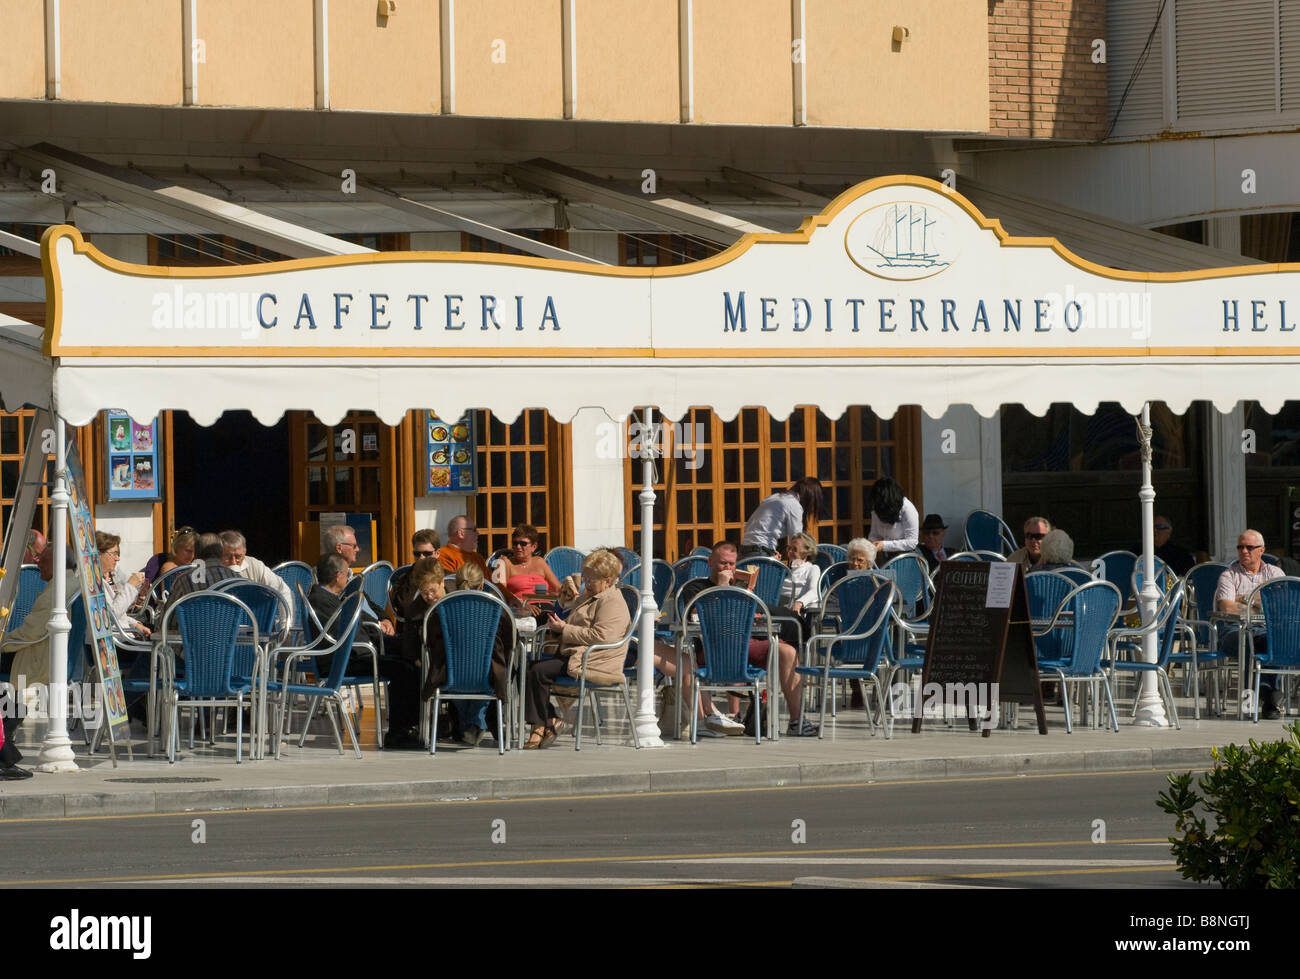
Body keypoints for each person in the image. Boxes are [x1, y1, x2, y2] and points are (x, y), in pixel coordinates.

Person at [670, 541, 816, 737]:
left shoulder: (741, 588)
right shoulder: (696, 587)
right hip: (713, 647)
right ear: (710, 562)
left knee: (787, 651)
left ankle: (797, 721)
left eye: (731, 564)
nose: (728, 568)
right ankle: (725, 713)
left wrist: (753, 614)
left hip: (746, 643)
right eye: (723, 563)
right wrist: (721, 588)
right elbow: (695, 614)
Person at [309, 552, 422, 748]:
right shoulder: (322, 601)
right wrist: (377, 648)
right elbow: (347, 636)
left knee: (409, 659)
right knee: (405, 669)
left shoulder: (327, 597)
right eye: (346, 574)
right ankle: (399, 732)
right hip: (343, 662)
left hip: (352, 653)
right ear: (338, 576)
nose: (347, 578)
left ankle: (410, 726)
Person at [524, 548, 631, 748]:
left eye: (591, 580)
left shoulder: (612, 602)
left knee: (536, 671)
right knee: (526, 669)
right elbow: (574, 622)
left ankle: (541, 726)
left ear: (607, 580)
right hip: (577, 653)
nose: (586, 584)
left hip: (596, 660)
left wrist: (565, 629)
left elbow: (602, 637)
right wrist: (559, 622)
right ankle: (547, 722)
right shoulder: (590, 595)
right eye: (586, 578)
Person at [0, 544, 79, 779]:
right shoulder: (69, 584)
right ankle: (5, 755)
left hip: (40, 657)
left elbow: (32, 633)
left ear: (55, 562)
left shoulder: (57, 591)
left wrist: (3, 643)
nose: (38, 565)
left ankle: (4, 755)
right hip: (48, 654)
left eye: (43, 560)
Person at [418, 558, 513, 746]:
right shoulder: (496, 608)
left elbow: (429, 641)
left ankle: (467, 724)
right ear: (482, 584)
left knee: (457, 667)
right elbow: (511, 643)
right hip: (488, 677)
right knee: (496, 667)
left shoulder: (443, 608)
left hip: (450, 676)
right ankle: (475, 723)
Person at [1215, 529, 1286, 719]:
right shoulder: (1228, 575)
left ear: (1261, 550)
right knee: (1249, 640)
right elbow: (1227, 608)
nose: (1244, 551)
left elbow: (1280, 604)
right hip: (1233, 630)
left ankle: (1266, 697)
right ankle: (1268, 696)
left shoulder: (1275, 572)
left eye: (1249, 547)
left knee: (1274, 639)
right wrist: (1259, 600)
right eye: (1240, 547)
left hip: (1266, 630)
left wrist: (1244, 599)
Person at [219, 529, 295, 626]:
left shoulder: (255, 565)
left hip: (254, 628)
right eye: (227, 557)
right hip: (221, 628)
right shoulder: (212, 570)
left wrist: (286, 627)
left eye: (238, 557)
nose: (233, 562)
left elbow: (283, 590)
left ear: (244, 552)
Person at [740, 476, 824, 557]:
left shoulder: (775, 497)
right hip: (760, 550)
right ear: (810, 497)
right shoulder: (794, 505)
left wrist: (770, 550)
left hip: (744, 548)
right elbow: (797, 539)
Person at [162, 533, 239, 613]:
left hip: (194, 625)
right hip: (230, 625)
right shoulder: (237, 579)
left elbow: (168, 616)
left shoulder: (185, 579)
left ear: (197, 553)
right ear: (221, 552)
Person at [490, 523, 560, 608]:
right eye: (515, 543)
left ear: (534, 547)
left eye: (523, 543)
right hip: (520, 610)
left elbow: (558, 589)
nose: (518, 547)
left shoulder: (540, 562)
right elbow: (498, 592)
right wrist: (522, 604)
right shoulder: (503, 562)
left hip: (546, 608)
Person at [96, 531, 149, 636]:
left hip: (123, 635)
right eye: (114, 554)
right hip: (115, 642)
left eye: (118, 554)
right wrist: (130, 586)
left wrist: (135, 624)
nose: (118, 558)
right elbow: (110, 617)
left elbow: (119, 612)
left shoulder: (113, 574)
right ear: (99, 554)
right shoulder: (94, 584)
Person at [867, 477, 918, 557]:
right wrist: (872, 544)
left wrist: (884, 545)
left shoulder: (907, 508)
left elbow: (912, 542)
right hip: (886, 556)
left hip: (906, 557)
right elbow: (874, 535)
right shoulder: (877, 509)